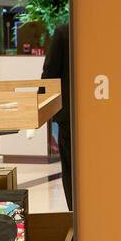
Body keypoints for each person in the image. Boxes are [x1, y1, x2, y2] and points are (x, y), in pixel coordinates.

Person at [42, 21, 71, 209]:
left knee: (70, 169)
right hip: (100, 115)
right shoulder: (104, 30)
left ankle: (75, 214)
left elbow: (50, 73)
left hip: (69, 117)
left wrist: (40, 106)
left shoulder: (64, 31)